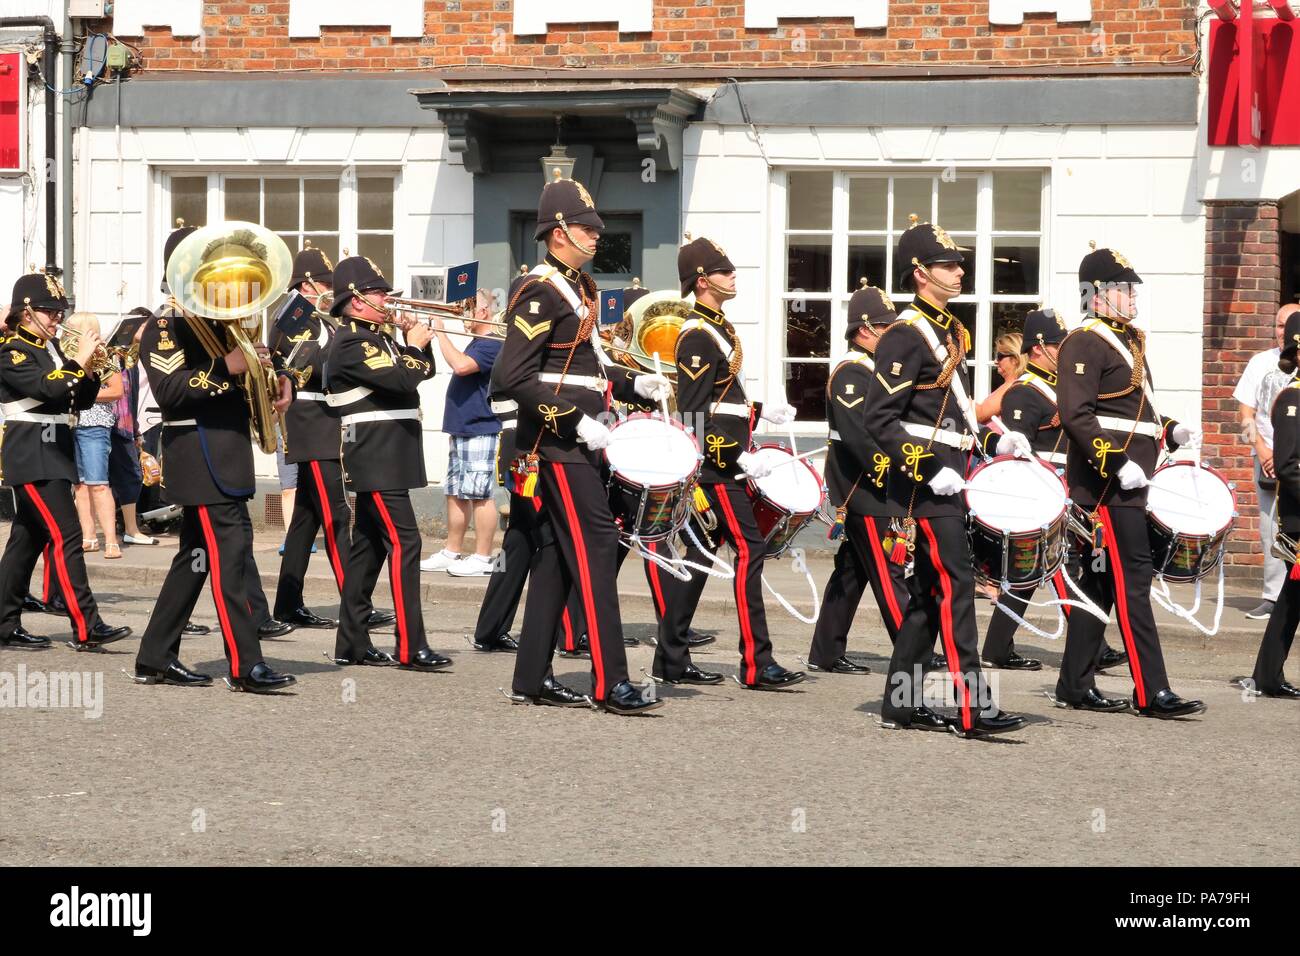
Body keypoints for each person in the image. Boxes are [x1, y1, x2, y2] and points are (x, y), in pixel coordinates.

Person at [492, 174, 670, 713]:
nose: (597, 238)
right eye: (588, 229)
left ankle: (531, 678)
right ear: (559, 231)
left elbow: (587, 365)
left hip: (583, 443)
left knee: (556, 558)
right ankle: (610, 681)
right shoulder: (540, 291)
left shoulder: (582, 289)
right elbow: (511, 377)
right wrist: (573, 421)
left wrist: (631, 384)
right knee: (597, 548)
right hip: (558, 445)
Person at [866, 217, 1025, 737]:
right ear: (918, 273)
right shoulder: (906, 334)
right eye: (947, 265)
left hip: (951, 475)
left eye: (959, 264)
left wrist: (992, 442)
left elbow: (948, 410)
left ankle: (900, 705)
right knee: (958, 589)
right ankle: (972, 708)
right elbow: (880, 420)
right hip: (925, 488)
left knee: (929, 598)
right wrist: (930, 469)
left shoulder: (943, 331)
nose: (959, 272)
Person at [132, 223, 296, 692]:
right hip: (199, 456)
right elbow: (169, 391)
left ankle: (155, 656)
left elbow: (248, 379)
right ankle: (246, 666)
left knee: (196, 559)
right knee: (230, 559)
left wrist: (280, 378)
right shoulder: (164, 327)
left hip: (226, 455)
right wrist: (229, 365)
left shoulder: (225, 324)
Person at [1052, 243, 1204, 718]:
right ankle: (1151, 690)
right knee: (1133, 583)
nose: (1132, 295)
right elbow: (1076, 416)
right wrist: (1116, 463)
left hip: (1131, 482)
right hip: (1107, 488)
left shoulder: (1129, 341)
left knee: (1099, 583)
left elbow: (1133, 412)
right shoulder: (1083, 342)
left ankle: (1074, 685)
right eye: (1123, 287)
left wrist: (1168, 429)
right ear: (1096, 295)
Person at [651, 236, 806, 690]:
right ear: (703, 281)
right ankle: (756, 663)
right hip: (719, 469)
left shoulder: (715, 328)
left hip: (729, 462)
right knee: (751, 549)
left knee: (700, 555)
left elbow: (725, 401)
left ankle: (671, 658)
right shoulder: (697, 335)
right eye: (724, 270)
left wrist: (758, 410)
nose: (733, 275)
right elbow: (694, 415)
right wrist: (729, 456)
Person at [326, 255, 451, 672]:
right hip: (375, 456)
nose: (387, 299)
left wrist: (418, 343)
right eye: (380, 293)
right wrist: (411, 345)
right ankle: (410, 646)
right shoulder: (350, 342)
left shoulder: (376, 339)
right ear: (357, 301)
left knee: (369, 550)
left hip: (389, 454)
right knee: (406, 542)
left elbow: (420, 374)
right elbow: (401, 380)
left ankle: (352, 642)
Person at [0, 271, 132, 650]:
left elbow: (78, 399)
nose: (57, 319)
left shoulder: (52, 349)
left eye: (59, 312)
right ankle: (87, 625)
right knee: (68, 535)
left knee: (25, 543)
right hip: (32, 452)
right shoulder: (13, 352)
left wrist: (92, 370)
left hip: (55, 450)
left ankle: (4, 624)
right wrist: (78, 360)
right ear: (26, 312)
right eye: (49, 311)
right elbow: (49, 388)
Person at [269, 245, 396, 633]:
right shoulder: (294, 318)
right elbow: (288, 365)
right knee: (337, 515)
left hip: (327, 422)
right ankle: (355, 603)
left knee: (305, 521)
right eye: (325, 283)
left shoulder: (326, 321)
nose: (330, 290)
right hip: (311, 422)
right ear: (307, 284)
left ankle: (288, 604)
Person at [806, 281, 911, 674]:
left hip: (867, 484)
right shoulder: (854, 373)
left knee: (853, 570)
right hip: (864, 485)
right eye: (887, 328)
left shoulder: (874, 371)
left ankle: (825, 651)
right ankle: (910, 643)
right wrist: (899, 471)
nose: (893, 336)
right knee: (888, 567)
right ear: (864, 330)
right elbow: (860, 437)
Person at [978, 308, 1070, 671]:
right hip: (1042, 487)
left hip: (1063, 485)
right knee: (1048, 568)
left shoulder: (1059, 386)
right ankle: (1089, 642)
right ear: (1039, 348)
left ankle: (998, 646)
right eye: (1059, 345)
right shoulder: (1024, 392)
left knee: (1034, 572)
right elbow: (1021, 449)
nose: (1064, 352)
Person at [421, 288, 503, 577]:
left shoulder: (493, 342)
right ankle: (451, 550)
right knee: (455, 492)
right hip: (463, 426)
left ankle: (482, 557)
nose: (464, 316)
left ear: (483, 312)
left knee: (480, 493)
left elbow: (460, 367)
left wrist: (440, 331)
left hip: (480, 426)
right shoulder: (477, 341)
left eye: (469, 309)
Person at [1246, 307, 1300, 700]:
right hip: (1298, 515)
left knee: (1290, 601)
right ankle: (1266, 676)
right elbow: (1289, 465)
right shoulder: (1292, 399)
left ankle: (1266, 675)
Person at [1235, 303, 1300, 620]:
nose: (1281, 331)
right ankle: (1273, 597)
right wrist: (1261, 450)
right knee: (1270, 528)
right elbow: (1246, 414)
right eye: (1277, 324)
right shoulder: (1260, 363)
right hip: (1268, 458)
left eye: (1286, 325)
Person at [64, 313, 124, 560]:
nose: (65, 331)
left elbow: (117, 390)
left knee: (98, 484)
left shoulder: (104, 353)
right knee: (79, 485)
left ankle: (111, 540)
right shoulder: (66, 353)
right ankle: (88, 537)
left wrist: (82, 394)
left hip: (94, 424)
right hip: (70, 424)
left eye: (70, 327)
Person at [107, 309, 157, 547]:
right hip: (109, 422)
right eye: (143, 327)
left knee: (131, 476)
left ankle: (130, 529)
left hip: (126, 423)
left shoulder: (135, 357)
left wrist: (136, 428)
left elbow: (134, 394)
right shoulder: (115, 354)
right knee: (97, 481)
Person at [975, 331, 1026, 424]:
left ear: (1015, 359)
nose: (995, 361)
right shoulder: (1013, 384)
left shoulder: (1011, 386)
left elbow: (980, 414)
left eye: (999, 356)